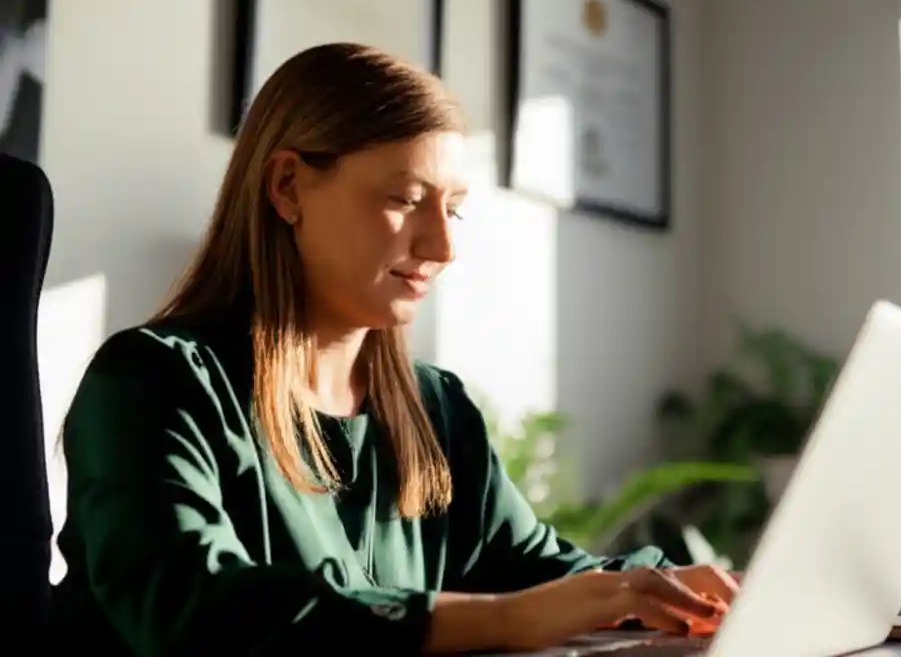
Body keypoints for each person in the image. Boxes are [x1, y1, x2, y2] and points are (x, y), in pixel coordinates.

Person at [49, 43, 737, 656]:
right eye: (407, 199)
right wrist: (502, 620)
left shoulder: (436, 411)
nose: (442, 246)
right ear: (288, 187)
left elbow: (544, 573)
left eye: (453, 207)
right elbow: (193, 609)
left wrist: (666, 590)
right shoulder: (152, 380)